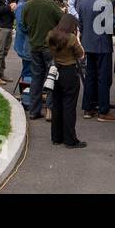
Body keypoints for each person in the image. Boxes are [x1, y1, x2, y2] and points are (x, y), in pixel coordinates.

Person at [23, 0, 63, 122]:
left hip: (34, 46)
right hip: (49, 47)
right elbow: (62, 21)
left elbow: (25, 23)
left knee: (36, 79)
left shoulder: (28, 6)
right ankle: (50, 110)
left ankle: (34, 110)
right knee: (51, 78)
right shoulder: (50, 5)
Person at [79, 0, 115, 121]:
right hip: (102, 45)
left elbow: (81, 24)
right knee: (103, 78)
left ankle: (88, 108)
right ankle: (103, 110)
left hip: (88, 44)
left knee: (90, 77)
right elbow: (110, 27)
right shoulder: (105, 4)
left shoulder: (83, 3)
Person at [47, 13, 87, 149]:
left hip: (55, 70)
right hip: (69, 72)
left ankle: (56, 136)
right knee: (69, 106)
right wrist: (78, 39)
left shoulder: (51, 35)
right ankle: (70, 139)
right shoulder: (71, 38)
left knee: (56, 105)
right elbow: (81, 55)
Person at [12, 0, 32, 110]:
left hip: (27, 45)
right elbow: (22, 25)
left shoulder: (25, 4)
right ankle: (26, 100)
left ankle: (28, 97)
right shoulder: (22, 6)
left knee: (28, 72)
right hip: (25, 45)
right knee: (27, 72)